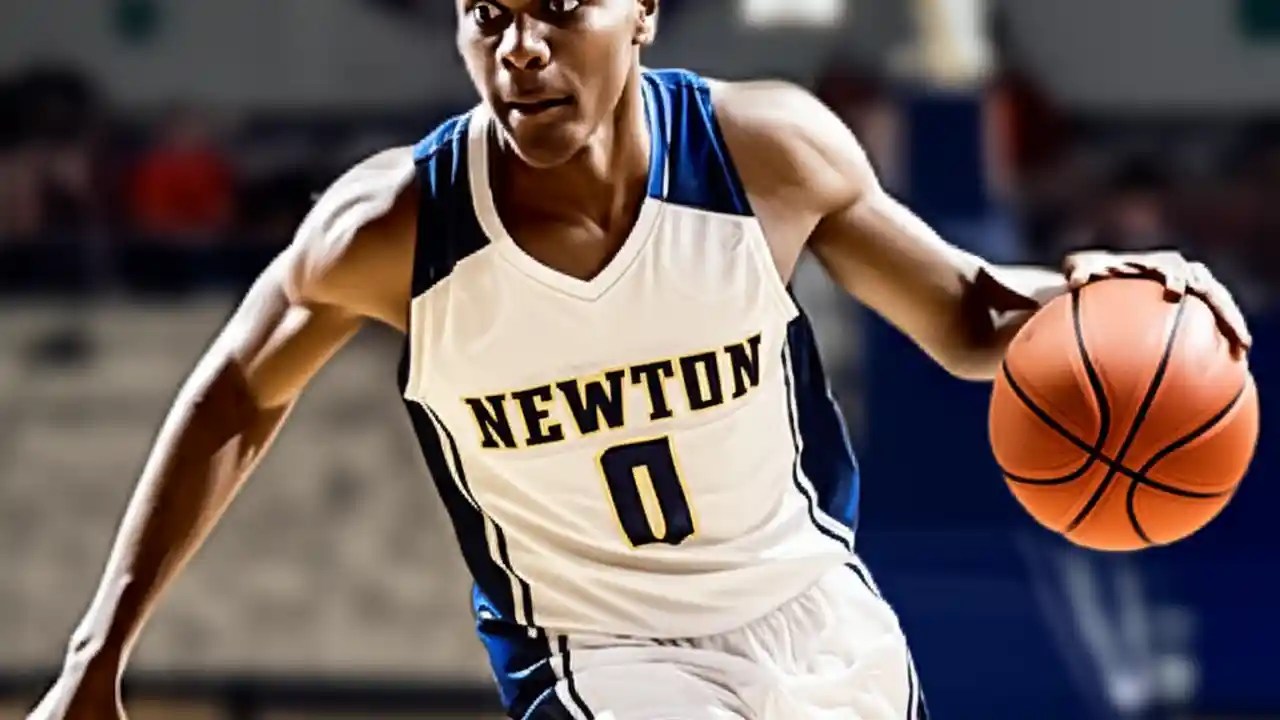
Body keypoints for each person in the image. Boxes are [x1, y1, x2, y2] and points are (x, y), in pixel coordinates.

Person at [31, 2, 1251, 719]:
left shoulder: (761, 154)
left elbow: (967, 321)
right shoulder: (393, 227)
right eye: (486, 12)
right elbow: (235, 388)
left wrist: (1103, 297)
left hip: (814, 619)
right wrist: (98, 653)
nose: (519, 47)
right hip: (600, 654)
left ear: (642, 12)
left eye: (557, 4)